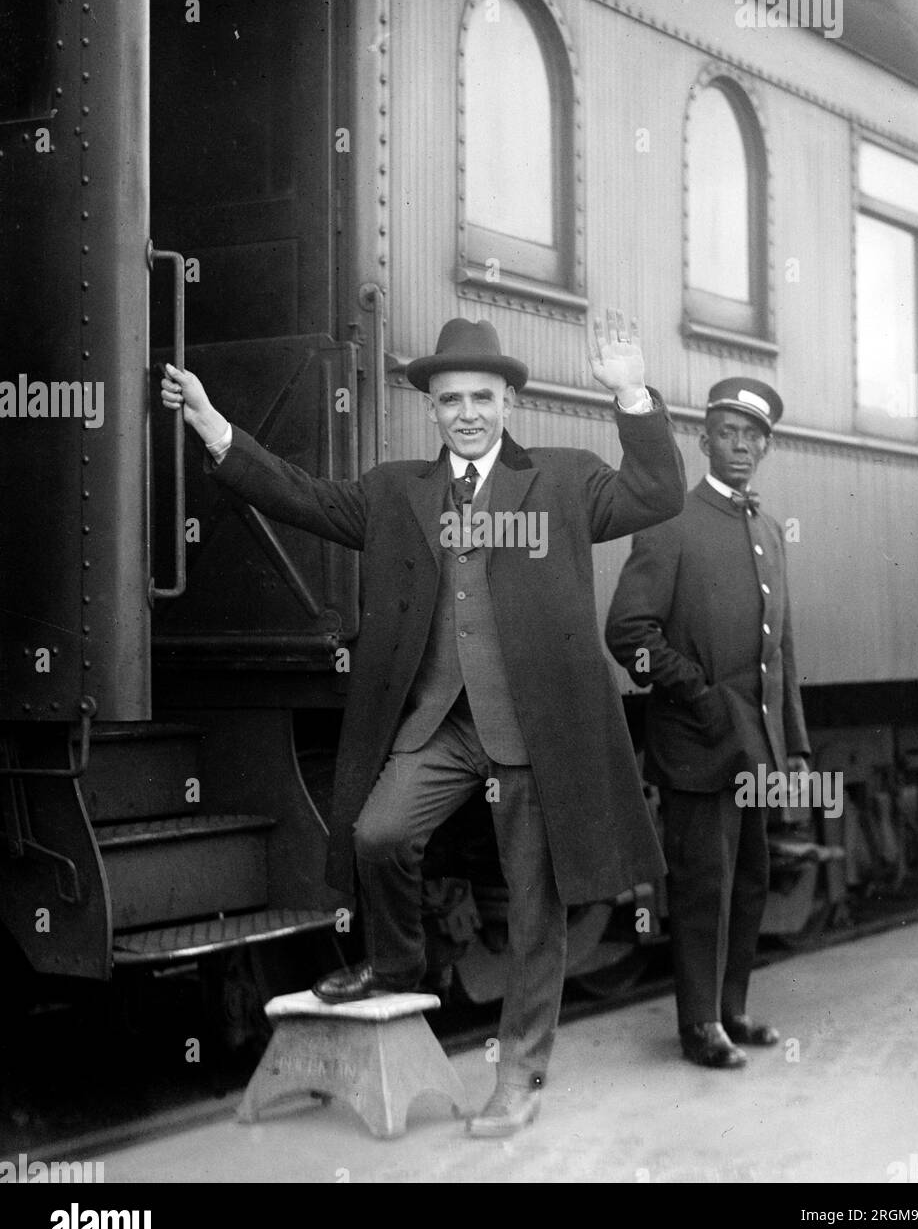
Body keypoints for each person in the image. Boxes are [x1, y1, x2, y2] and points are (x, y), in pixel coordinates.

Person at [161, 312, 685, 1134]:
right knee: (376, 836)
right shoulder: (392, 490)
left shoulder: (564, 479)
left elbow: (656, 491)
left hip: (532, 730)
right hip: (440, 720)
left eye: (482, 395)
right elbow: (304, 498)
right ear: (431, 410)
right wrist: (219, 431)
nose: (467, 412)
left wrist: (630, 394)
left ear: (509, 399)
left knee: (534, 904)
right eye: (450, 400)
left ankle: (519, 1075)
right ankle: (395, 967)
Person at [606, 378, 810, 1069]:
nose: (742, 446)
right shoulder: (670, 521)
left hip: (755, 750)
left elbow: (780, 650)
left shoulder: (766, 531)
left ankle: (730, 1011)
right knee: (702, 887)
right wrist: (695, 695)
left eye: (754, 436)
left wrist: (797, 747)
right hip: (697, 745)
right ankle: (698, 1027)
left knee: (748, 878)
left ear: (765, 446)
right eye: (728, 432)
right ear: (703, 440)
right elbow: (627, 631)